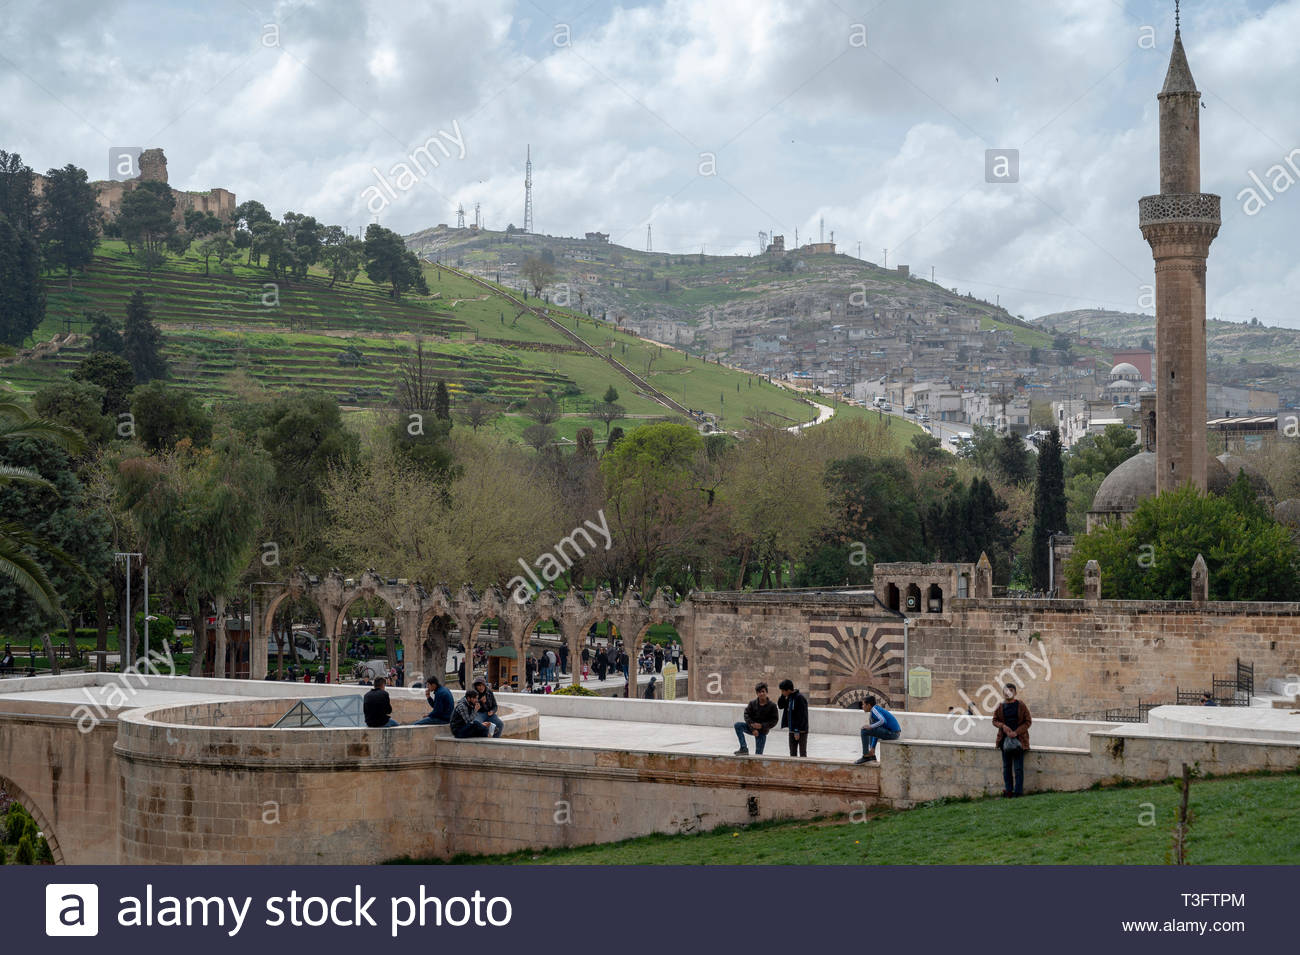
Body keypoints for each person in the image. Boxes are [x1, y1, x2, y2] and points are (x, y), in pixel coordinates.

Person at [992, 683, 1032, 797]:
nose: (1008, 692)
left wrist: (1016, 732)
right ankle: (1009, 791)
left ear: (1015, 692)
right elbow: (994, 720)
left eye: (1010, 690)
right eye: (1006, 690)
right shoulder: (1000, 706)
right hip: (1004, 742)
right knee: (1006, 768)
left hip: (1019, 741)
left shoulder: (1021, 705)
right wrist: (1003, 726)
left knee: (1018, 768)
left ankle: (1018, 792)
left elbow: (1028, 721)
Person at [733, 682, 779, 755]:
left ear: (766, 692)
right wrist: (753, 728)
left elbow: (774, 720)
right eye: (759, 692)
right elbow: (746, 715)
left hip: (762, 732)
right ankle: (744, 748)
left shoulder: (772, 706)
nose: (761, 694)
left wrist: (762, 726)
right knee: (738, 725)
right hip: (752, 728)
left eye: (763, 691)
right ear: (757, 694)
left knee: (758, 756)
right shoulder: (752, 703)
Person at [855, 695, 901, 764]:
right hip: (893, 733)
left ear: (869, 705)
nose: (862, 706)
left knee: (864, 730)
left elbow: (883, 721)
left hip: (893, 733)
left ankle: (866, 756)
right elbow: (875, 732)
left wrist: (871, 726)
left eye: (863, 704)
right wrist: (873, 747)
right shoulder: (873, 712)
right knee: (869, 731)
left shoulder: (874, 710)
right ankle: (871, 754)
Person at [777, 679, 809, 757]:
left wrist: (797, 730)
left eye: (783, 691)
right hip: (792, 730)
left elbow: (802, 715)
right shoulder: (788, 697)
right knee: (792, 753)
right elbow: (780, 706)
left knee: (802, 753)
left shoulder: (799, 698)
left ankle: (802, 768)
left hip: (801, 731)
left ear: (788, 690)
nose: (782, 692)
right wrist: (783, 696)